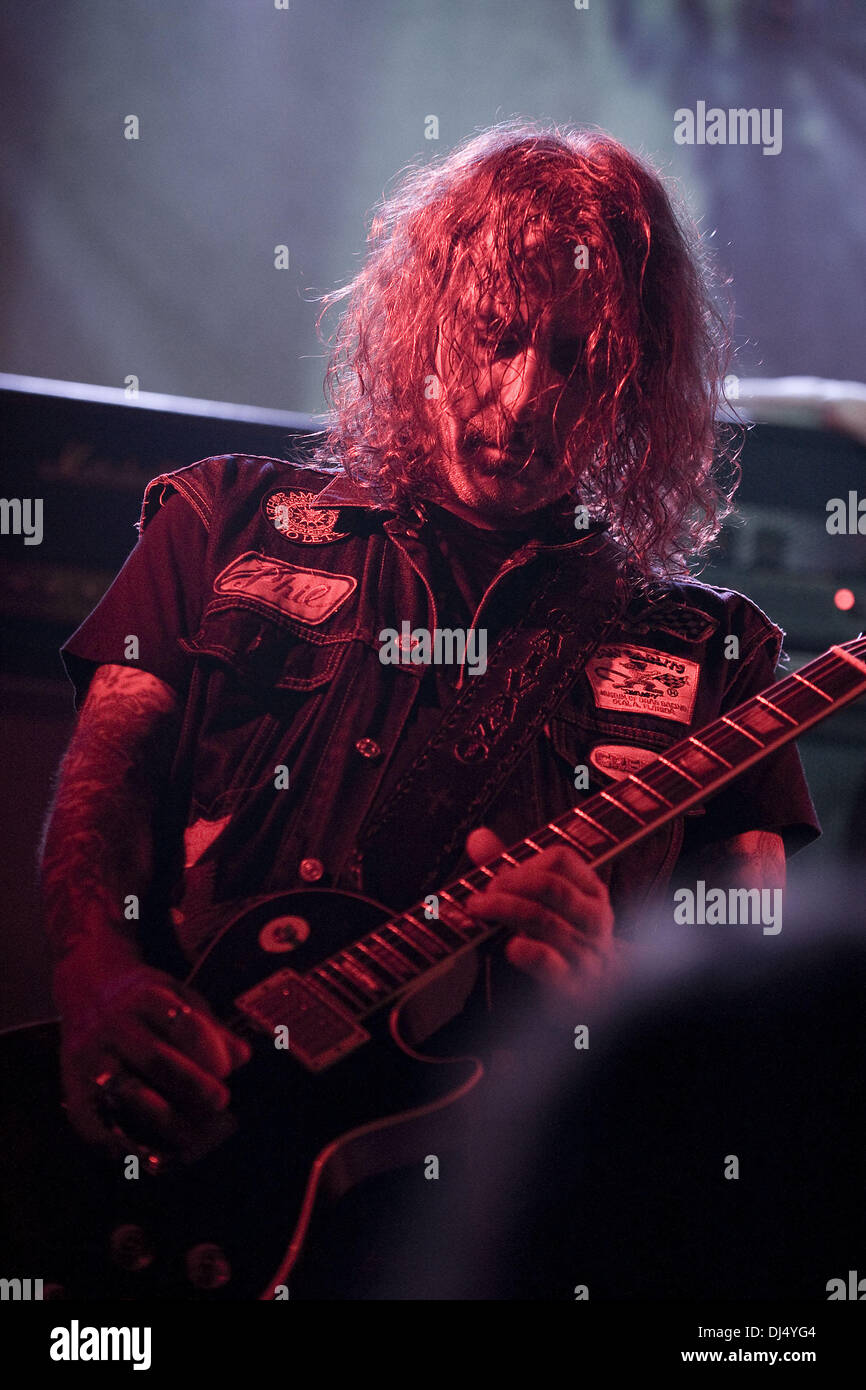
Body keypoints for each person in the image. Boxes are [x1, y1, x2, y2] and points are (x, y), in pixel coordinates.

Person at [38, 122, 820, 1282]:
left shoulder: (713, 655)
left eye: (574, 357)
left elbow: (744, 1021)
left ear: (635, 382)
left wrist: (612, 991)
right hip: (151, 1167)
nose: (523, 397)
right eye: (495, 337)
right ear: (422, 323)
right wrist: (92, 974)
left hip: (485, 1234)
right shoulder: (219, 520)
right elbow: (102, 783)